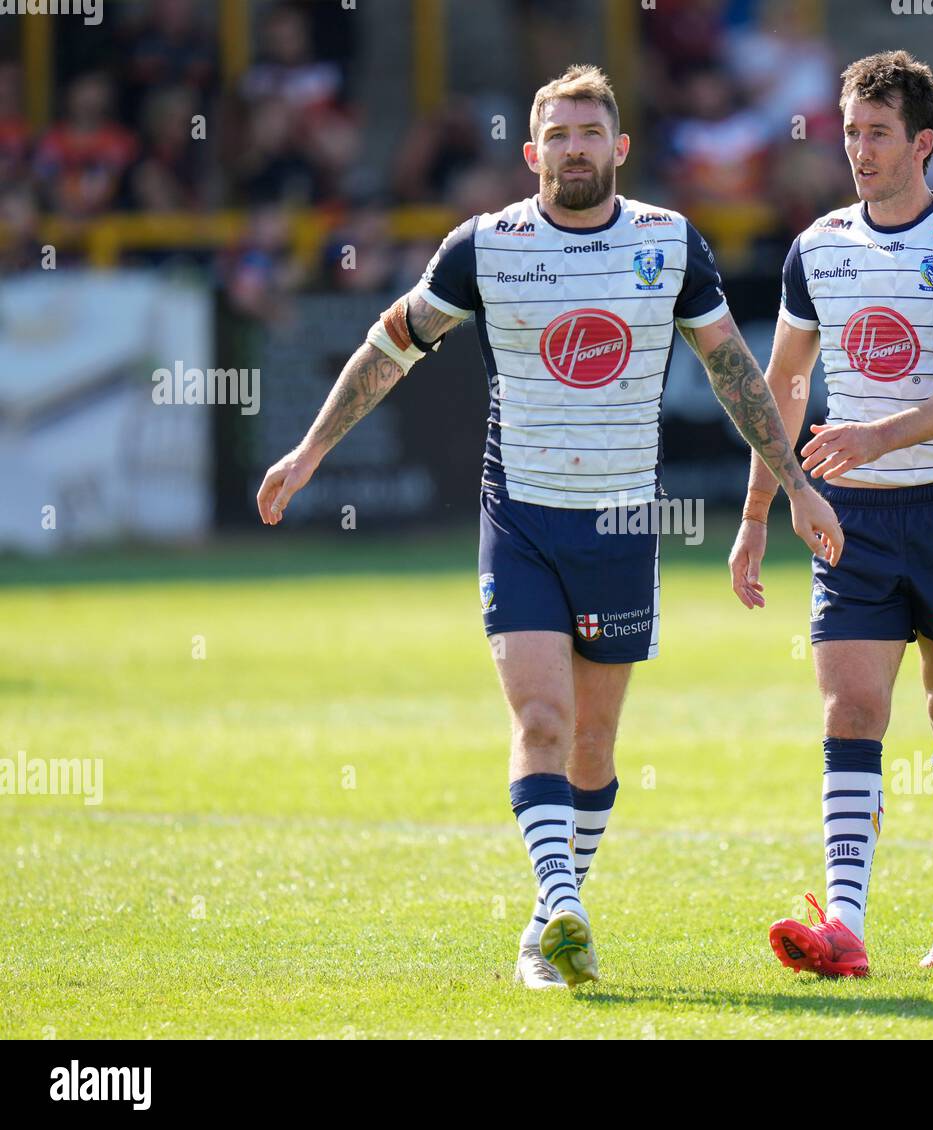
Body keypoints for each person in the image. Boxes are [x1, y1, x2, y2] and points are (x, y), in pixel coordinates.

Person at [256, 65, 842, 990]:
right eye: (558, 135)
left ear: (620, 148)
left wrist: (795, 486)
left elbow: (735, 372)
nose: (575, 148)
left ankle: (544, 919)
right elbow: (392, 343)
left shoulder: (669, 243)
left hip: (620, 522)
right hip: (520, 516)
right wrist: (311, 449)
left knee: (596, 748)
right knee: (541, 719)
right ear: (532, 153)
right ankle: (565, 908)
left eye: (590, 132)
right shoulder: (484, 247)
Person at [729, 50, 933, 976]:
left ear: (921, 143)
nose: (858, 149)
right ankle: (845, 928)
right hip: (848, 521)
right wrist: (755, 514)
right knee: (849, 709)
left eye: (878, 134)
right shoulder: (816, 247)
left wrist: (875, 437)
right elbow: (781, 387)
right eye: (850, 131)